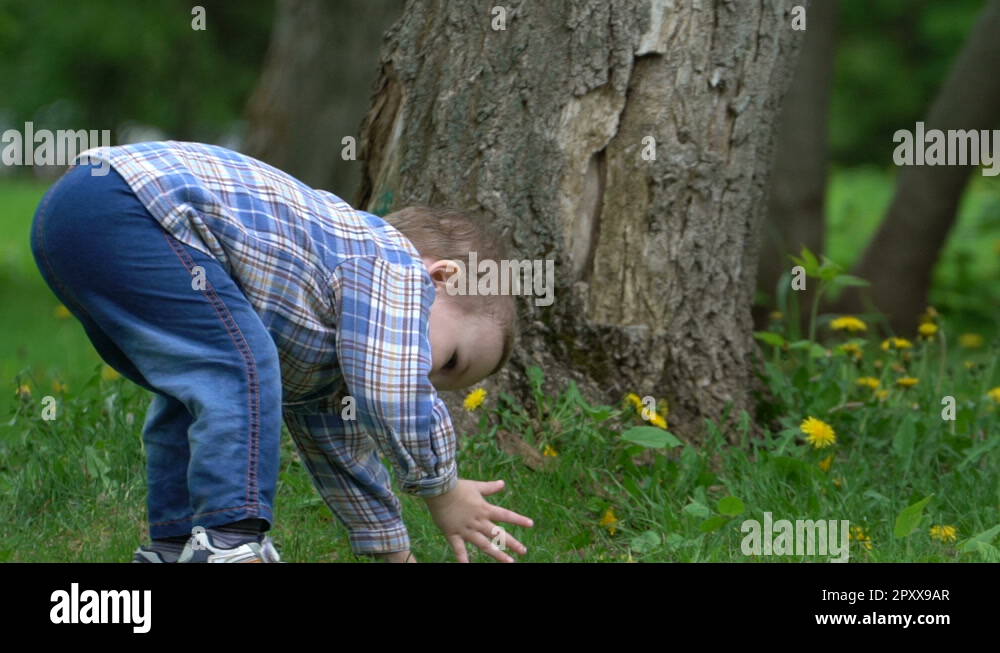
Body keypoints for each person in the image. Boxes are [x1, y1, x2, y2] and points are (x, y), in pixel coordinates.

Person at [29, 140, 534, 563]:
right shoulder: (393, 268)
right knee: (238, 369)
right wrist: (442, 489)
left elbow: (339, 449)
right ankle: (231, 541)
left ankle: (175, 543)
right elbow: (393, 392)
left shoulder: (328, 342)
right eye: (449, 362)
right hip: (133, 203)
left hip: (75, 216)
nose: (425, 378)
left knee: (199, 394)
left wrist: (391, 551)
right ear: (440, 275)